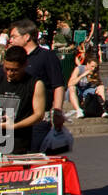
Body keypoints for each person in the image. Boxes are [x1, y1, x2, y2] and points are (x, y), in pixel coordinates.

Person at [7, 18, 65, 152]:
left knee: (34, 157)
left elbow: (58, 85)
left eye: (14, 36)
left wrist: (57, 111)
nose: (11, 40)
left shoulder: (46, 56)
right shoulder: (15, 58)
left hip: (37, 120)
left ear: (27, 37)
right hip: (16, 118)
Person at [0, 45, 47, 155]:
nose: (10, 73)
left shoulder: (35, 84)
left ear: (24, 65)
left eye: (15, 70)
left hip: (15, 145)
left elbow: (38, 115)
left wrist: (14, 126)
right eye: (7, 69)